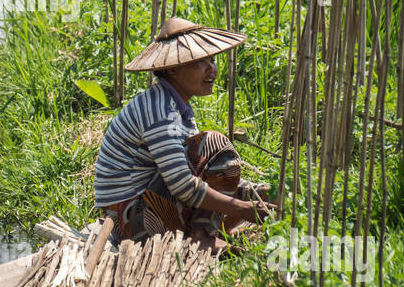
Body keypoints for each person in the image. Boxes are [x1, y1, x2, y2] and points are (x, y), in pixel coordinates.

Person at [94, 16, 272, 253]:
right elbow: (182, 185)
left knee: (229, 173)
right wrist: (239, 208)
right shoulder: (159, 110)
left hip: (150, 207)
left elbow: (208, 178)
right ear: (174, 68)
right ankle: (202, 237)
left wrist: (266, 193)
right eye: (201, 62)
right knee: (214, 144)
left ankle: (207, 232)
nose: (212, 69)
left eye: (212, 59)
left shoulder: (176, 107)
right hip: (132, 221)